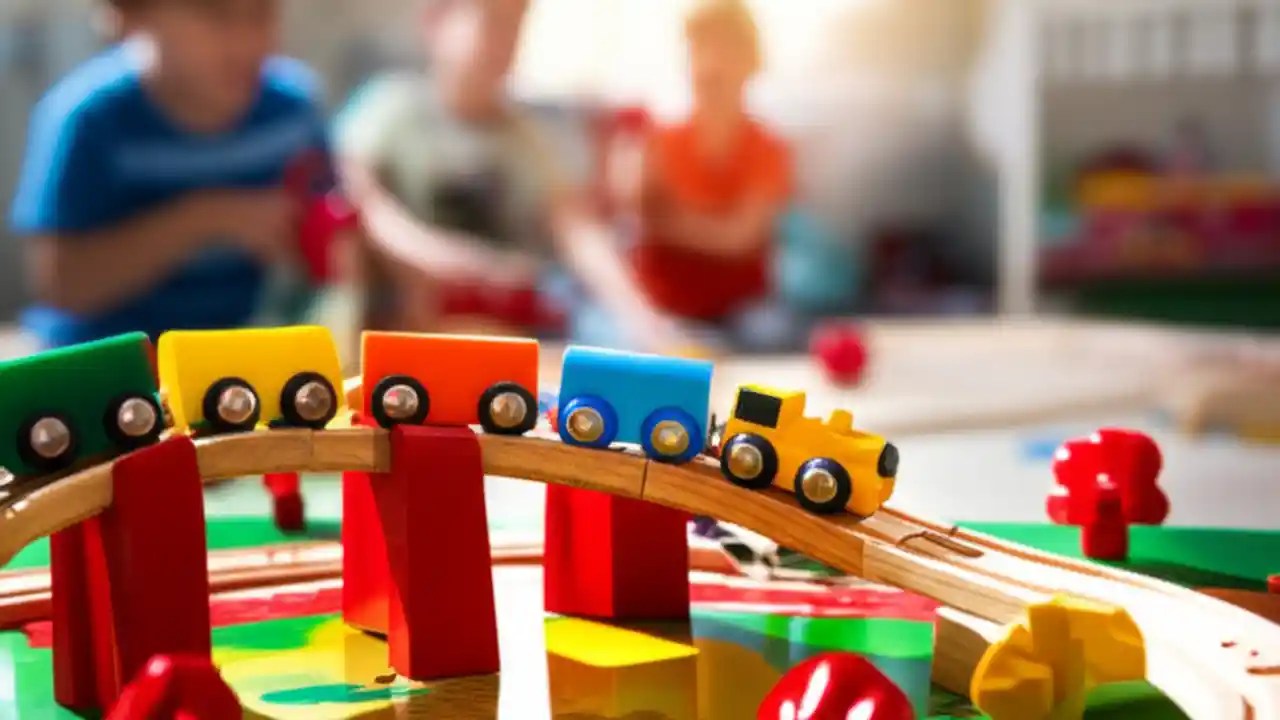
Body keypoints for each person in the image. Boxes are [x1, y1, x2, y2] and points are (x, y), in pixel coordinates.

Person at [335, 0, 687, 351]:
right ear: (436, 22)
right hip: (410, 309)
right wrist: (447, 260)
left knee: (594, 324)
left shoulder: (525, 136)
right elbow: (358, 201)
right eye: (493, 21)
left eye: (516, 26)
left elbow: (577, 230)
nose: (506, 41)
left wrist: (641, 318)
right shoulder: (390, 107)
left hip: (512, 318)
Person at [9, 0, 335, 350]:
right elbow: (61, 285)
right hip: (112, 364)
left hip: (234, 359)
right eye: (216, 16)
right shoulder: (89, 119)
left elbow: (331, 216)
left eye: (261, 14)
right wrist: (205, 220)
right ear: (130, 16)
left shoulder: (294, 110)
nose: (246, 41)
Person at [631, 0, 799, 352]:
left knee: (773, 334)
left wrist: (673, 221)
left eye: (725, 49)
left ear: (752, 61)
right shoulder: (658, 140)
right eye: (699, 48)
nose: (710, 64)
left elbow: (741, 238)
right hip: (666, 306)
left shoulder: (768, 148)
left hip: (742, 310)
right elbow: (640, 218)